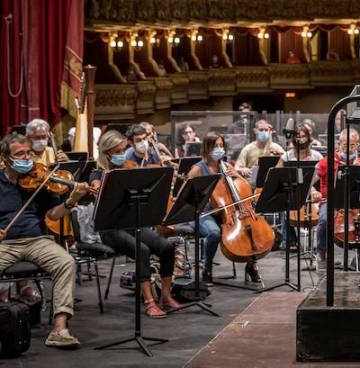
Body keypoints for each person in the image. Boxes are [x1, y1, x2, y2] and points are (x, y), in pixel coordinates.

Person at [0, 133, 89, 348]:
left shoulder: (42, 179)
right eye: (20, 154)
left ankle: (60, 329)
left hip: (38, 240)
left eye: (29, 153)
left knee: (65, 262)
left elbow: (53, 215)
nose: (27, 158)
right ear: (5, 158)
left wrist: (71, 201)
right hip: (5, 244)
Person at [91, 130, 180, 317]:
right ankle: (149, 302)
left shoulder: (129, 167)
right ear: (106, 153)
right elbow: (99, 195)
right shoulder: (97, 174)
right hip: (109, 228)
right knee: (143, 250)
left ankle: (165, 296)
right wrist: (100, 188)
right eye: (117, 151)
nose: (122, 154)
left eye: (124, 149)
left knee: (166, 248)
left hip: (132, 223)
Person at [313, 128, 360, 267]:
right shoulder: (326, 162)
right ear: (339, 145)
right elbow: (308, 182)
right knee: (324, 220)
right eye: (345, 145)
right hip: (330, 201)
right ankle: (322, 255)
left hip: (354, 202)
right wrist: (312, 190)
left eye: (352, 145)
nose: (349, 148)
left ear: (358, 145)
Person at [183, 133, 228, 283]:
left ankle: (251, 266)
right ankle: (206, 267)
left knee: (249, 230)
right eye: (216, 146)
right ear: (207, 148)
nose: (220, 149)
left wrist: (237, 175)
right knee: (214, 233)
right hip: (202, 213)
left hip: (223, 212)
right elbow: (184, 195)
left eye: (221, 146)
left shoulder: (225, 167)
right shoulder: (198, 169)